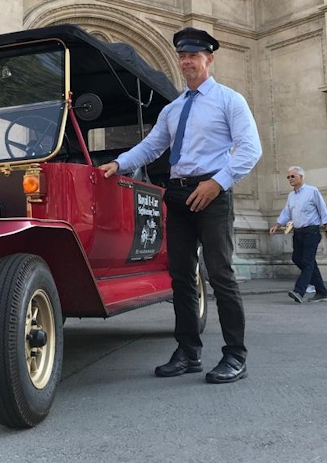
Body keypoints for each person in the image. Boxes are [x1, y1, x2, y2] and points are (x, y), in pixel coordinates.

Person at [99, 27, 262, 384]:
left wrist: (216, 183)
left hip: (212, 193)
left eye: (194, 56)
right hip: (177, 195)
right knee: (181, 277)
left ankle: (235, 356)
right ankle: (188, 352)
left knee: (220, 274)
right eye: (183, 56)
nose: (187, 62)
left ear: (209, 59)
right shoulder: (173, 110)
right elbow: (152, 146)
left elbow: (251, 149)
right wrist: (119, 163)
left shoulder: (229, 100)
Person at [269, 166, 327, 303]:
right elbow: (286, 212)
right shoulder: (291, 196)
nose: (290, 179)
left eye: (293, 176)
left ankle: (299, 291)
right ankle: (322, 292)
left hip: (311, 231)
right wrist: (277, 225)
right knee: (298, 258)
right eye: (288, 177)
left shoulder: (312, 191)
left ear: (301, 177)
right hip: (298, 232)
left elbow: (323, 211)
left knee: (307, 261)